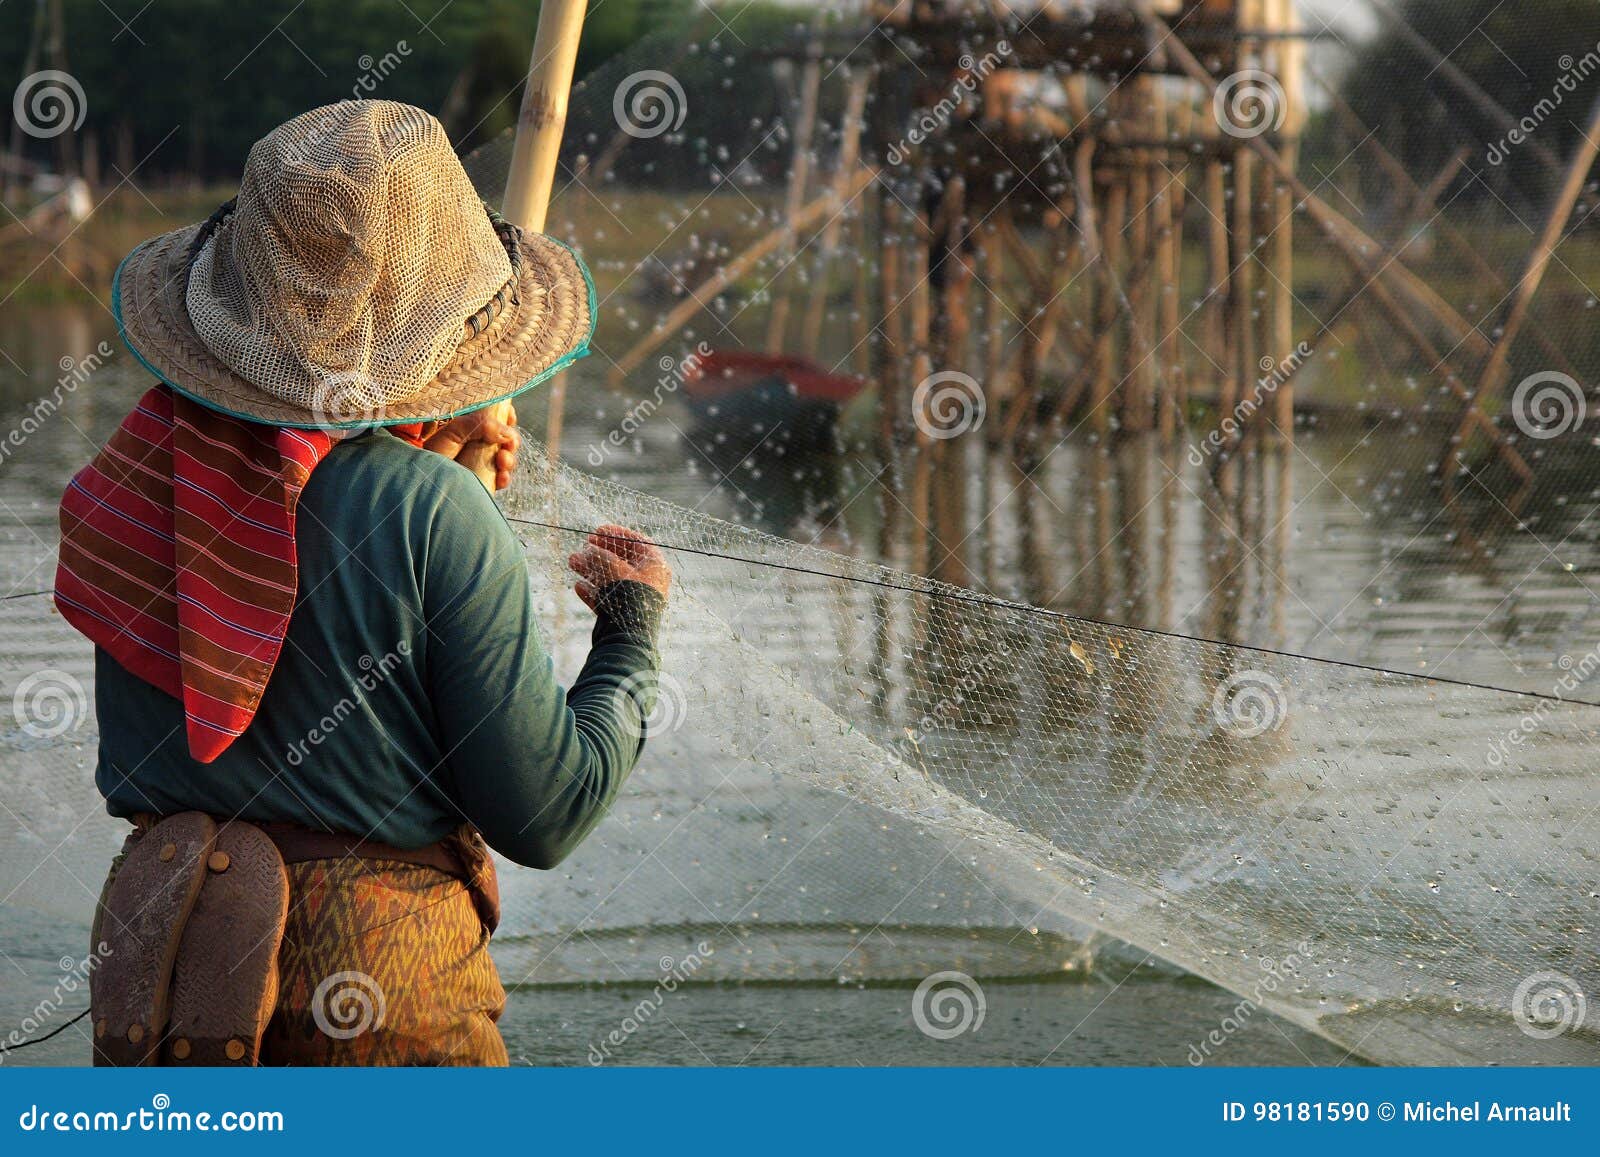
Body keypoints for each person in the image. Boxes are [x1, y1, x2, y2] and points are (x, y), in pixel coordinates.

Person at [53, 101, 670, 1066]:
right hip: (379, 995)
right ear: (444, 344)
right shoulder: (432, 511)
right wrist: (631, 630)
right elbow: (547, 811)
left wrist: (440, 480)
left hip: (162, 980)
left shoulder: (137, 485)